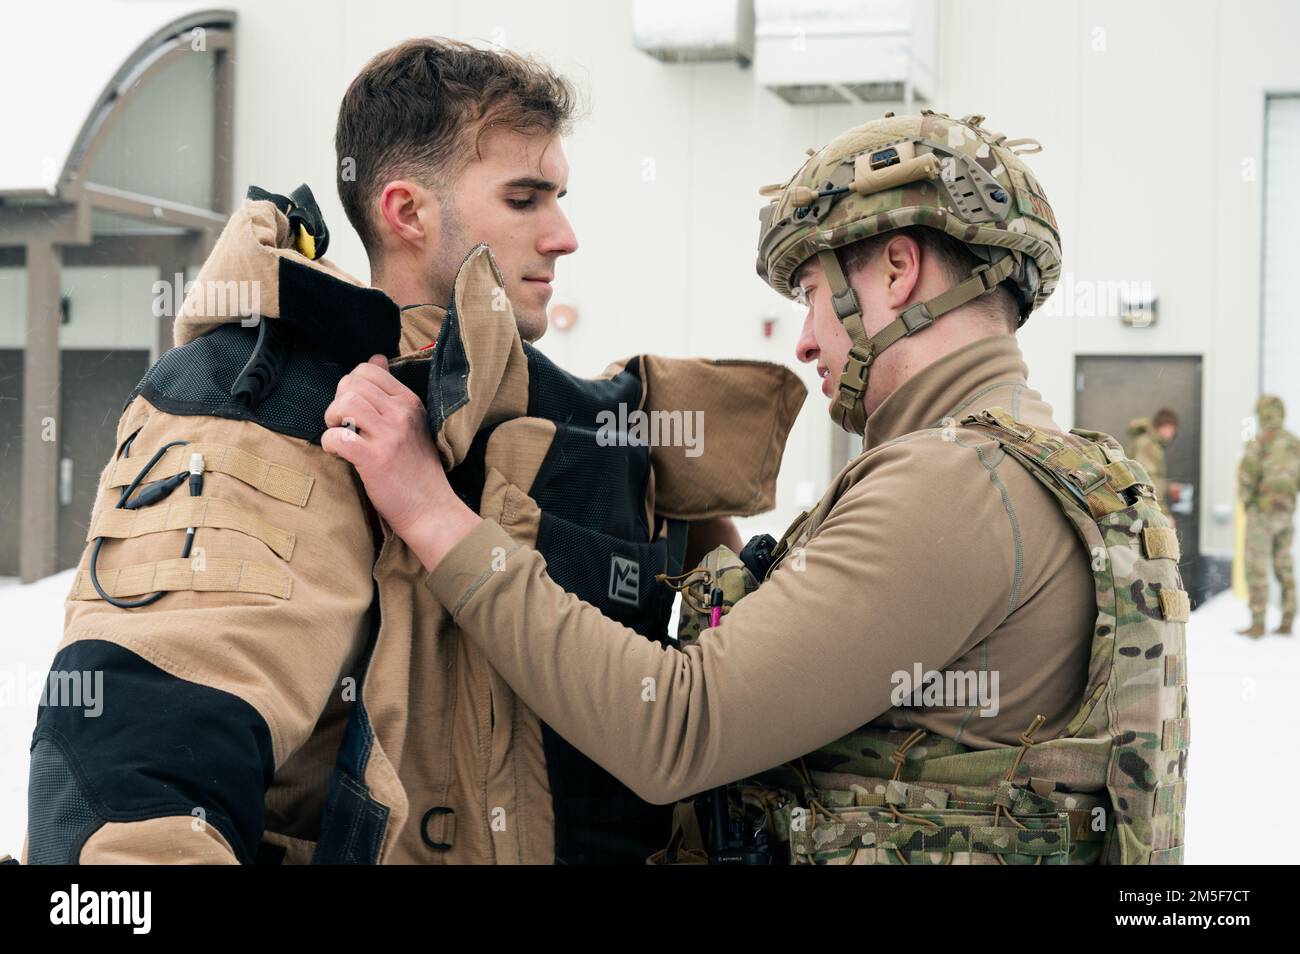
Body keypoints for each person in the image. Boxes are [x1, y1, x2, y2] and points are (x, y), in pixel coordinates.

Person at [332, 111, 1193, 864]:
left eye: (814, 297)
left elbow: (674, 727)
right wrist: (706, 532)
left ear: (898, 271)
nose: (807, 343)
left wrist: (431, 515)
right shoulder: (1042, 468)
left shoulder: (954, 486)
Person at [22, 38, 797, 864]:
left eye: (560, 196)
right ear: (405, 211)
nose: (565, 235)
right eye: (527, 198)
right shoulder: (263, 406)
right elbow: (143, 787)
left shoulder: (591, 428)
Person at [1237, 394, 1300, 637]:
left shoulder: (1258, 441)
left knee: (1256, 566)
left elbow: (1246, 476)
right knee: (1284, 565)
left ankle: (1258, 622)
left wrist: (1248, 503)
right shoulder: (1294, 442)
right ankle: (1287, 620)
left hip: (1262, 513)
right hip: (1285, 513)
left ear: (1262, 414)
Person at [1127, 407, 1179, 517]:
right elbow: (1148, 483)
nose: (1172, 434)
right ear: (1167, 427)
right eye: (1172, 429)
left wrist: (1168, 487)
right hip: (1141, 508)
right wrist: (1163, 514)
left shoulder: (1148, 442)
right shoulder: (1148, 444)